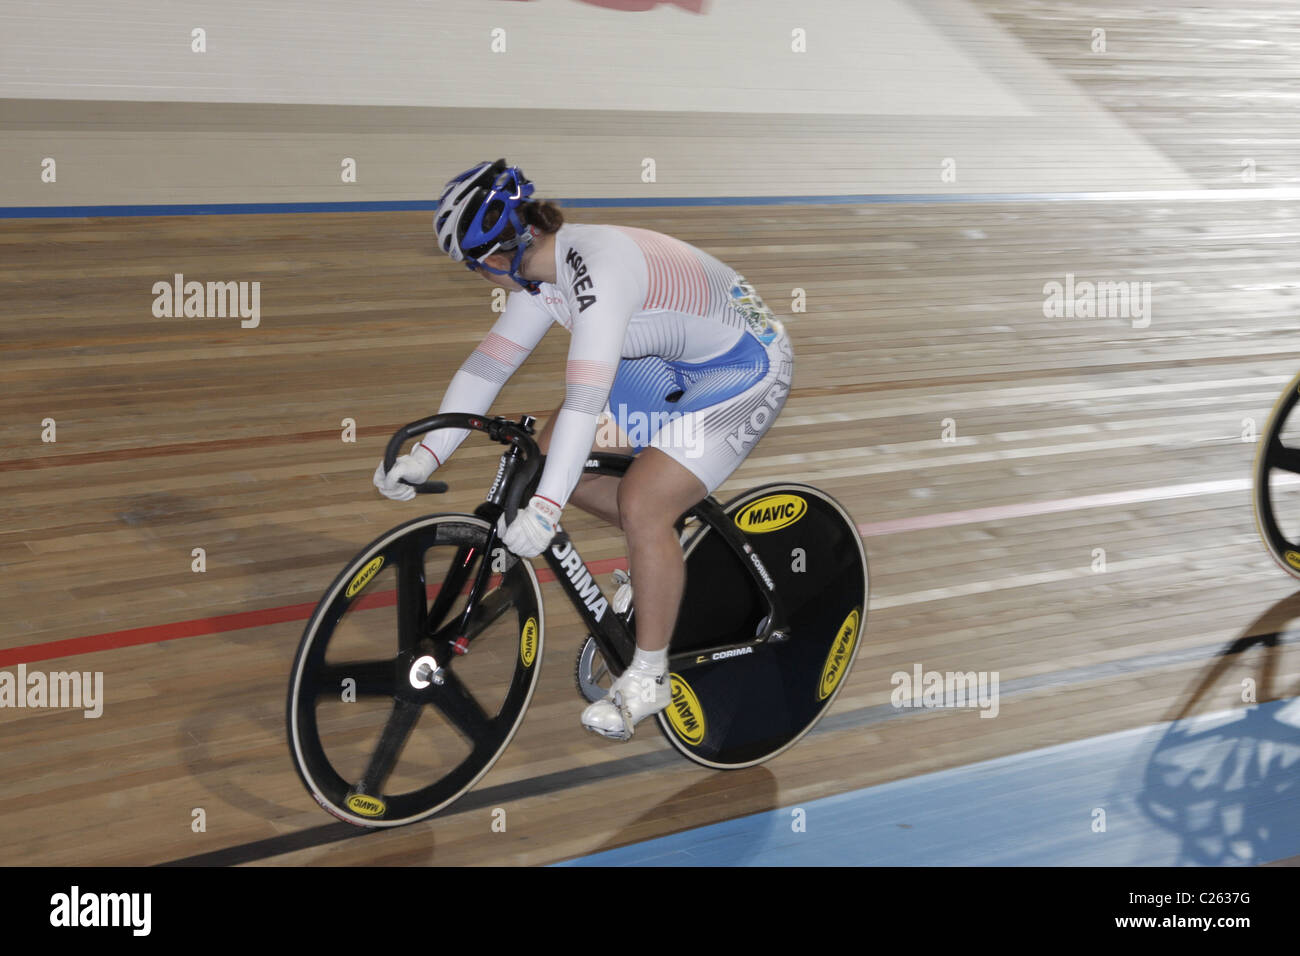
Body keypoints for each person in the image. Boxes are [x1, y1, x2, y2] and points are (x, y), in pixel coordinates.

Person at [374, 159, 793, 741]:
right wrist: (426, 456)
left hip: (743, 366)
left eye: (472, 268)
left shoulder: (599, 270)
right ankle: (656, 566)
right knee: (548, 462)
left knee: (644, 504)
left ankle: (649, 676)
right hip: (665, 361)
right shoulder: (542, 274)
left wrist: (545, 510)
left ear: (494, 258)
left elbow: (584, 401)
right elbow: (488, 365)